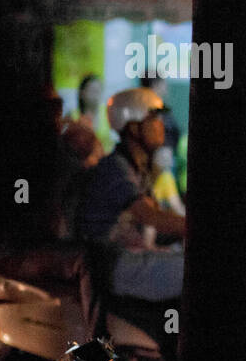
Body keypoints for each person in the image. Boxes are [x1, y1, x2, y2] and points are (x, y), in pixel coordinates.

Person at [76, 87, 185, 302]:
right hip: (112, 264)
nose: (160, 126)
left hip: (125, 259)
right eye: (153, 119)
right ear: (133, 128)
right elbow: (150, 217)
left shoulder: (138, 168)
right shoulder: (116, 168)